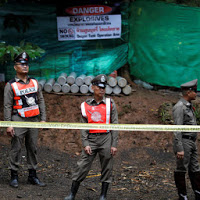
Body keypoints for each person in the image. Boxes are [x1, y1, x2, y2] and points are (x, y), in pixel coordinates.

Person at [64, 74, 118, 200]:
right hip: (91, 139)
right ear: (93, 87)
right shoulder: (85, 105)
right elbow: (83, 126)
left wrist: (114, 144)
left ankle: (103, 195)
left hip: (106, 138)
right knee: (82, 166)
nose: (102, 89)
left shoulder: (110, 103)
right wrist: (85, 143)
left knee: (107, 167)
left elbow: (115, 124)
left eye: (104, 87)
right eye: (99, 87)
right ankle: (72, 194)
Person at [4, 52, 46, 188]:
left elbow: (41, 101)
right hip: (18, 119)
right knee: (16, 148)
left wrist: (43, 119)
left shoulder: (34, 82)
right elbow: (7, 106)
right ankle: (14, 176)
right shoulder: (11, 85)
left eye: (26, 64)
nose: (25, 66)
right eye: (21, 64)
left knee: (32, 148)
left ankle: (32, 176)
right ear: (15, 67)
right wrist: (9, 124)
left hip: (33, 120)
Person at [173, 79, 200, 200]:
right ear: (188, 92)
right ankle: (182, 195)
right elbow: (177, 129)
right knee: (181, 168)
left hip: (192, 142)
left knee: (195, 168)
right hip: (184, 142)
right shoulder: (180, 107)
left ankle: (198, 192)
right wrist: (179, 148)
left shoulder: (189, 106)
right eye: (194, 91)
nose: (196, 93)